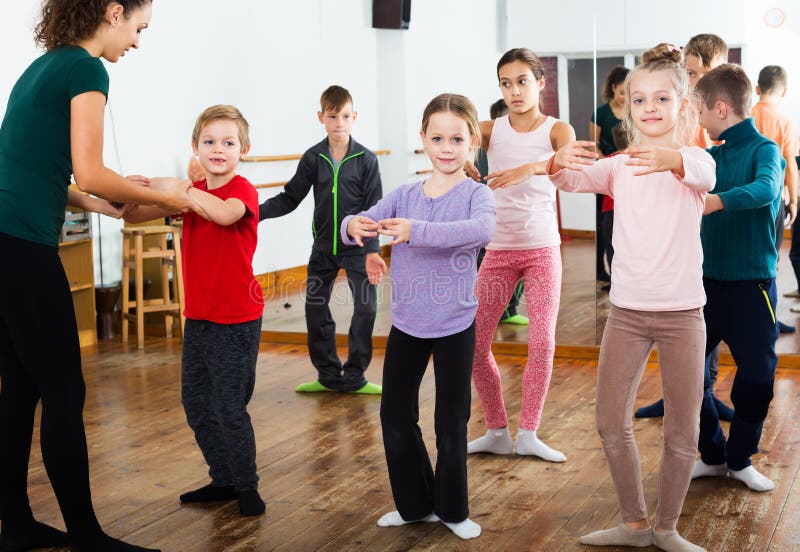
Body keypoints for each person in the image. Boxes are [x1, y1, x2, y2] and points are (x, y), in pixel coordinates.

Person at [0, 2, 191, 550]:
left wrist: (102, 203)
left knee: (19, 390)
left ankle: (14, 524)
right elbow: (89, 167)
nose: (136, 41)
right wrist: (165, 194)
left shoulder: (41, 66)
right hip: (23, 248)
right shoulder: (86, 69)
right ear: (112, 12)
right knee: (64, 389)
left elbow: (45, 170)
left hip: (4, 243)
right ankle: (86, 536)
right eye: (138, 26)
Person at [548, 43, 715, 552]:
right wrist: (557, 161)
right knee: (608, 423)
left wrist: (669, 157)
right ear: (626, 105)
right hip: (626, 315)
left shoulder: (696, 161)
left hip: (683, 315)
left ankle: (667, 528)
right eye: (638, 99)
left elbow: (701, 175)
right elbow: (572, 179)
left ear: (682, 105)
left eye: (661, 98)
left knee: (682, 433)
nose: (648, 108)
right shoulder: (619, 166)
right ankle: (635, 524)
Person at [343, 93, 495, 540]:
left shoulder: (476, 194)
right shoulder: (405, 194)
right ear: (423, 140)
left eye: (456, 138)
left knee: (451, 422)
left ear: (472, 142)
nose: (446, 148)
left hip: (454, 324)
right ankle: (414, 507)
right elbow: (361, 221)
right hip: (407, 324)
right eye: (436, 138)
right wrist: (353, 225)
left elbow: (482, 230)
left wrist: (416, 231)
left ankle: (453, 511)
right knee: (395, 416)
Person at [124, 105, 266, 516]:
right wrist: (137, 190)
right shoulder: (191, 195)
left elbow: (223, 215)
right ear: (195, 146)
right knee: (196, 402)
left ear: (244, 149)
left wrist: (182, 190)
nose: (218, 149)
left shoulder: (241, 191)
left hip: (236, 317)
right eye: (209, 141)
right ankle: (222, 477)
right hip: (201, 316)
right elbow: (133, 218)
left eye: (228, 142)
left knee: (228, 405)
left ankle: (247, 486)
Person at [465, 48, 574, 462]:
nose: (514, 90)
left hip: (542, 249)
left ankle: (529, 432)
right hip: (498, 248)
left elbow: (571, 158)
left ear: (540, 83)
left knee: (542, 342)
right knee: (474, 342)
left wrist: (529, 168)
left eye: (522, 81)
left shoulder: (555, 129)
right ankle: (496, 429)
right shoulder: (490, 129)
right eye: (505, 83)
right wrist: (463, 164)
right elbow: (450, 133)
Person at [690, 64, 784, 493]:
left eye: (700, 111)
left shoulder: (766, 150)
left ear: (721, 108)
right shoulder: (709, 157)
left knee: (759, 374)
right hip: (703, 286)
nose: (698, 119)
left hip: (752, 286)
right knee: (687, 374)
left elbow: (766, 190)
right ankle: (712, 455)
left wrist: (718, 202)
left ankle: (740, 457)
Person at [635, 33, 736, 420]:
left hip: (709, 208)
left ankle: (702, 395)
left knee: (701, 314)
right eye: (687, 72)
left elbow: (709, 165)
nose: (691, 79)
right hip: (682, 217)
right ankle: (682, 395)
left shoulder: (714, 111)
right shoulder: (678, 109)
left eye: (696, 73)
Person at [259, 85, 383, 394]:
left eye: (344, 116)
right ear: (321, 117)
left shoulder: (367, 159)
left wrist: (371, 251)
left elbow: (374, 209)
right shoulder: (314, 158)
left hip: (357, 250)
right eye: (332, 116)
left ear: (354, 117)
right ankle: (328, 375)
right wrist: (253, 212)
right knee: (315, 310)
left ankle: (355, 376)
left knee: (366, 310)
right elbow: (290, 197)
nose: (339, 122)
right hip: (322, 249)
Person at [751, 67, 800, 315]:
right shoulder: (786, 122)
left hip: (744, 199)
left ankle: (744, 315)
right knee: (771, 259)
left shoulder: (745, 116)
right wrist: (794, 200)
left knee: (747, 257)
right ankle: (767, 316)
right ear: (784, 91)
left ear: (757, 88)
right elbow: (790, 163)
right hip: (773, 200)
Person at [474, 99, 527, 325]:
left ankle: (508, 309)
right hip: (490, 217)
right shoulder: (486, 147)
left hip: (514, 218)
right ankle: (502, 310)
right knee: (487, 266)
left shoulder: (516, 146)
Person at [591, 66, 630, 283]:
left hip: (627, 173)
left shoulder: (635, 111)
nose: (626, 97)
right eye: (623, 92)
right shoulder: (601, 114)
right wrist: (609, 162)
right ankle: (601, 270)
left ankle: (623, 273)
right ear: (614, 88)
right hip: (606, 171)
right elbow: (594, 147)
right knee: (603, 224)